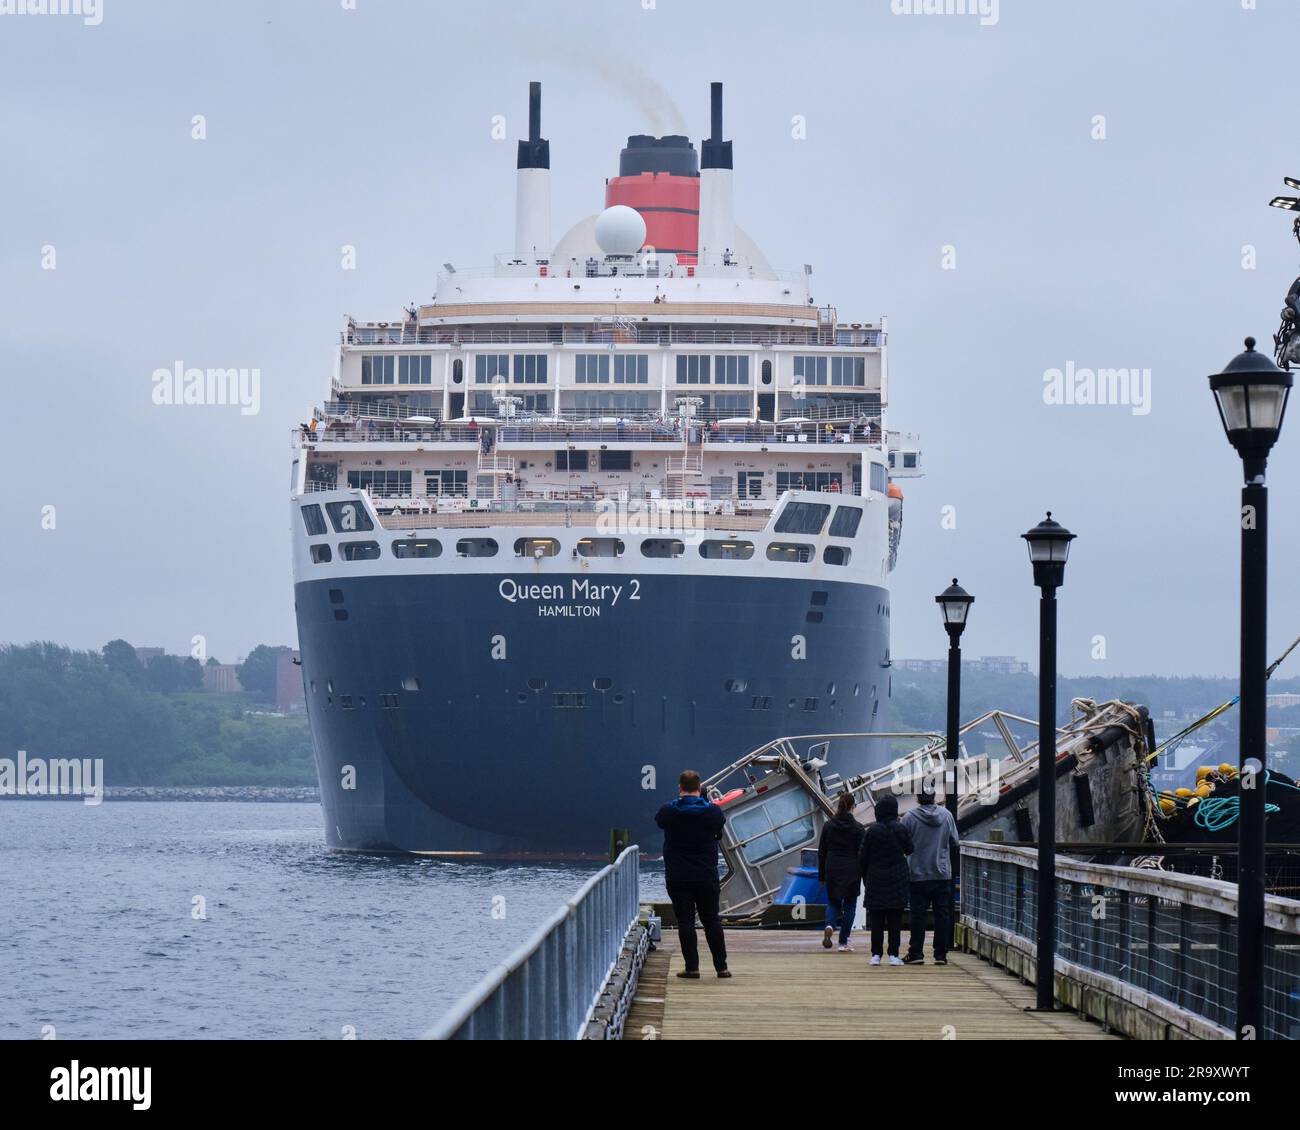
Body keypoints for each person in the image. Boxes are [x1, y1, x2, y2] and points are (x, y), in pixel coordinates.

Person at [655, 770, 730, 979]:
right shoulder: (712, 812)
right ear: (699, 788)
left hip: (678, 875)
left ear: (680, 788)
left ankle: (692, 967)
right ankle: (721, 967)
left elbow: (659, 820)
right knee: (711, 920)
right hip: (706, 874)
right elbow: (719, 823)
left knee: (685, 922)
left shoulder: (669, 811)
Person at [901, 789, 959, 965]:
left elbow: (903, 843)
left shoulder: (909, 818)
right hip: (941, 873)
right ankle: (940, 954)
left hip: (917, 873)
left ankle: (916, 953)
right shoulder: (947, 815)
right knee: (942, 914)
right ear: (934, 796)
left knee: (918, 915)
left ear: (918, 797)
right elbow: (955, 841)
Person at [859, 793, 913, 965]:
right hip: (897, 878)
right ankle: (893, 955)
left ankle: (876, 954)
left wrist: (866, 878)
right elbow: (910, 849)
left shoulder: (871, 831)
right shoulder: (901, 828)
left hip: (875, 878)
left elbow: (863, 857)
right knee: (895, 919)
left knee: (877, 919)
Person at [817, 793, 864, 951]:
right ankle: (843, 942)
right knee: (850, 905)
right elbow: (862, 853)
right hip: (851, 868)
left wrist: (822, 875)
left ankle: (829, 926)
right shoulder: (858, 828)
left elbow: (822, 851)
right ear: (852, 807)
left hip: (832, 867)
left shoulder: (828, 825)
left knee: (833, 902)